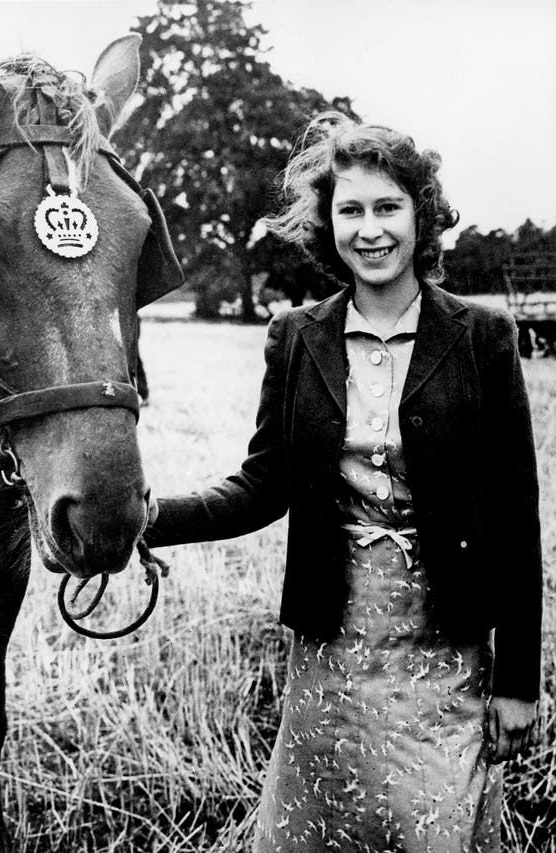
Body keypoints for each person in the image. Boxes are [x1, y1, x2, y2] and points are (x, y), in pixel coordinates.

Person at [145, 115, 542, 852]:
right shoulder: (297, 337)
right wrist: (149, 517)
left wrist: (521, 679)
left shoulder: (482, 338)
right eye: (350, 210)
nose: (370, 229)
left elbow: (518, 515)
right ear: (328, 224)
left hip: (442, 656)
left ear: (422, 216)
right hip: (330, 655)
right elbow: (262, 485)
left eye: (387, 206)